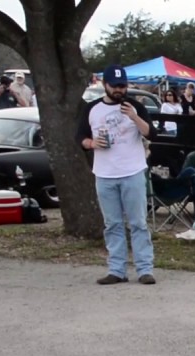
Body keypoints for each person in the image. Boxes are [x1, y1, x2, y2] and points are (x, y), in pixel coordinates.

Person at [75, 64, 155, 285]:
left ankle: (145, 269)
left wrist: (134, 117)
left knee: (138, 222)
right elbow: (79, 137)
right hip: (105, 173)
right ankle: (117, 269)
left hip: (132, 171)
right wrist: (91, 143)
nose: (119, 90)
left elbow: (151, 133)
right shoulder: (92, 109)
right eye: (115, 86)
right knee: (112, 224)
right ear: (105, 85)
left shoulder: (136, 106)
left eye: (123, 86)